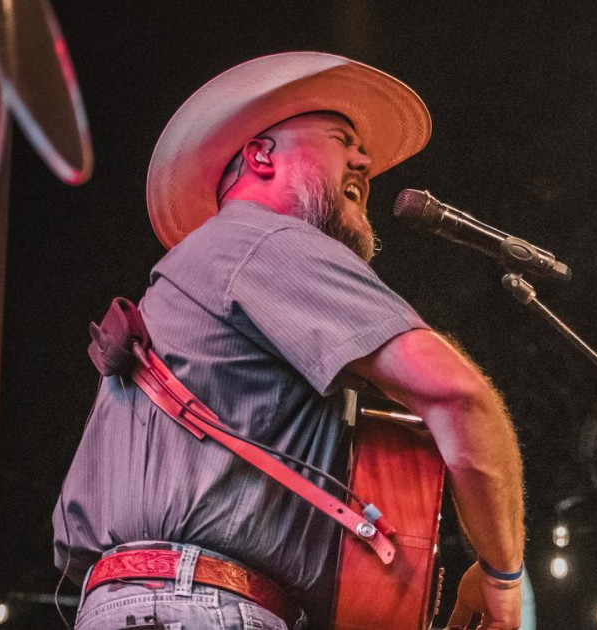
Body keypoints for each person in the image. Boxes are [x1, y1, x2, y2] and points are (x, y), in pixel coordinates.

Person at [53, 52, 525, 630]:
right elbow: (460, 397)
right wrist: (501, 576)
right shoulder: (266, 241)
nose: (366, 163)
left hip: (120, 605)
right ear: (261, 156)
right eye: (342, 141)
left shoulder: (193, 275)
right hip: (203, 607)